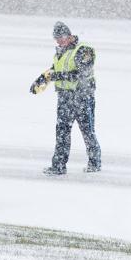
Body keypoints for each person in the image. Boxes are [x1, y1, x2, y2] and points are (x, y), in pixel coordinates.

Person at [31, 21, 101, 175]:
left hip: (82, 97)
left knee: (87, 131)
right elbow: (55, 69)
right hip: (65, 98)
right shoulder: (60, 52)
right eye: (56, 38)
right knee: (62, 132)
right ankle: (58, 166)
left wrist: (58, 75)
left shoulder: (83, 50)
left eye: (61, 37)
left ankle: (95, 163)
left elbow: (81, 73)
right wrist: (41, 80)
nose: (59, 41)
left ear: (69, 36)